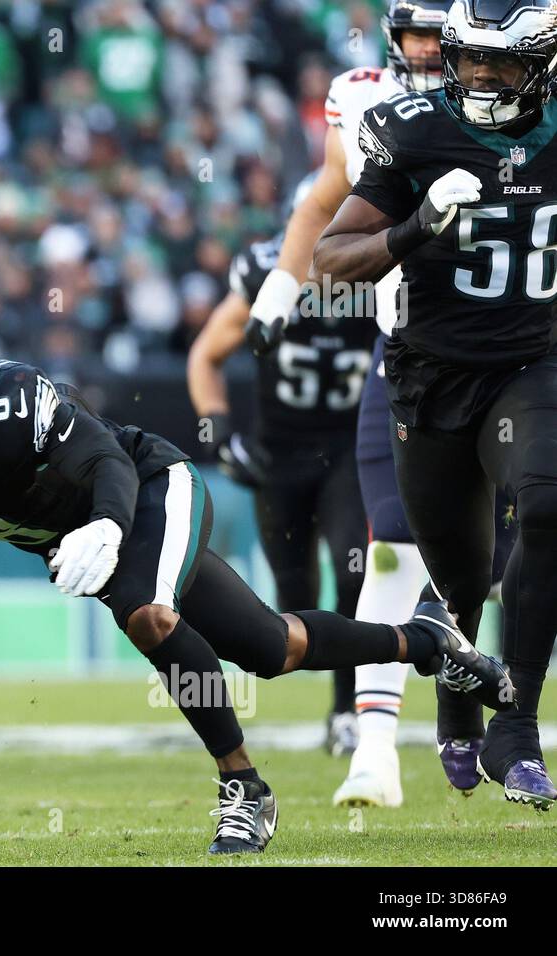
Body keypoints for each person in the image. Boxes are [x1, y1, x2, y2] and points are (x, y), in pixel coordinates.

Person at [0, 315, 514, 854]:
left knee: (148, 615)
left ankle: (243, 788)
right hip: (93, 538)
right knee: (268, 645)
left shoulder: (9, 403)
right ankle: (426, 642)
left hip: (148, 490)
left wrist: (109, 527)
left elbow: (106, 462)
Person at [243, 0, 496, 807]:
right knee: (390, 547)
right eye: (414, 36)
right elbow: (324, 200)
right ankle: (376, 748)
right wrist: (282, 289)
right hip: (414, 359)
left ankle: (476, 712)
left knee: (501, 559)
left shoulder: (531, 110)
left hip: (522, 359)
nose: (426, 50)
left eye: (439, 36)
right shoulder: (367, 104)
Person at [314, 0, 557, 809]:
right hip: (430, 373)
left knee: (548, 505)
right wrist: (418, 225)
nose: (483, 75)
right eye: (472, 58)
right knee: (456, 573)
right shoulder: (412, 127)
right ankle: (459, 700)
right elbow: (332, 258)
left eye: (503, 62)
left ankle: (516, 727)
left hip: (532, 361)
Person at [188, 214, 376, 756]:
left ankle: (348, 712)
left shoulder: (379, 275)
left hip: (347, 451)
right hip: (280, 457)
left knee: (352, 571)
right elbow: (206, 356)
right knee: (295, 600)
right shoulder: (266, 274)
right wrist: (219, 435)